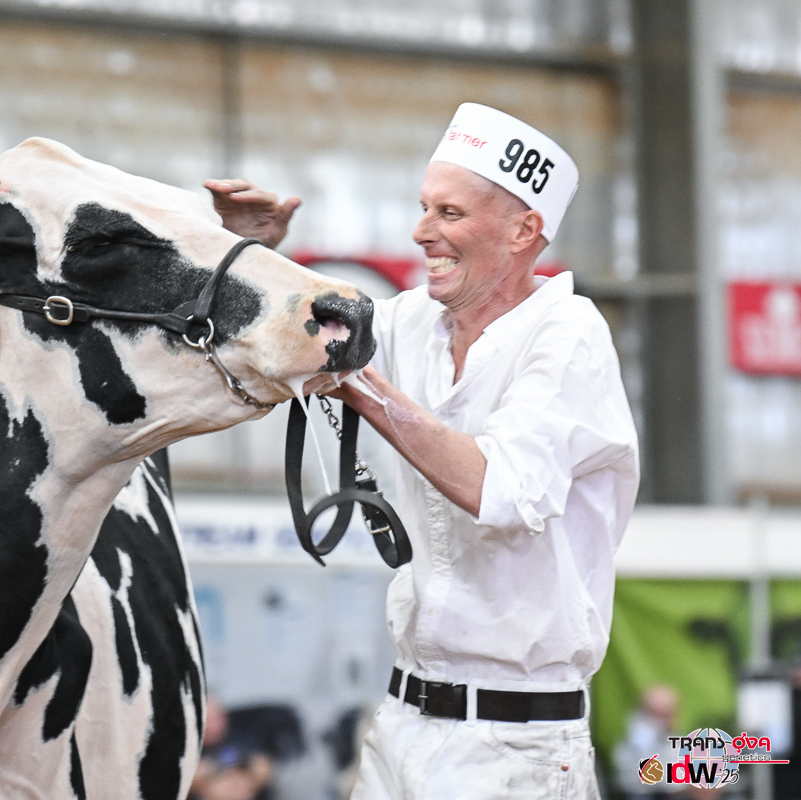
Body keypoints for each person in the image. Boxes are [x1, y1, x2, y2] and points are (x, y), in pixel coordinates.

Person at [210, 102, 640, 799]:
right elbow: (301, 330)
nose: (422, 232)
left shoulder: (570, 334)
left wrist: (364, 388)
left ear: (525, 230)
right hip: (399, 723)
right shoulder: (411, 322)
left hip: (515, 748)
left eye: (449, 213)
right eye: (423, 208)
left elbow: (497, 488)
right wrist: (254, 254)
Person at [188, 696, 275, 800]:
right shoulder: (184, 749)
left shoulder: (240, 738)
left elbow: (264, 767)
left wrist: (241, 765)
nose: (211, 726)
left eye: (215, 719)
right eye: (205, 721)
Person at [612, 685, 682, 798]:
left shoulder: (680, 746)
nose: (659, 722)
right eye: (653, 714)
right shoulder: (628, 748)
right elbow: (630, 782)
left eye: (665, 715)